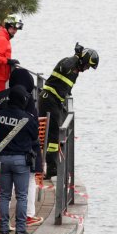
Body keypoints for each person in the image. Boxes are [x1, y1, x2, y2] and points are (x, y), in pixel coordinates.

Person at [39, 43, 99, 178]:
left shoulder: (76, 71)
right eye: (87, 65)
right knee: (51, 135)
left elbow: (66, 88)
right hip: (48, 100)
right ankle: (51, 168)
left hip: (56, 102)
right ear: (83, 59)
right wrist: (76, 56)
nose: (87, 69)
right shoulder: (69, 62)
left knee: (54, 135)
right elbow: (64, 66)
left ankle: (50, 166)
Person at [0, 68, 43, 228]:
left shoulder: (0, 97)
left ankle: (2, 225)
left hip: (2, 150)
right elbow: (33, 127)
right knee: (25, 188)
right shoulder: (26, 97)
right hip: (23, 152)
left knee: (4, 193)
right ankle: (27, 218)